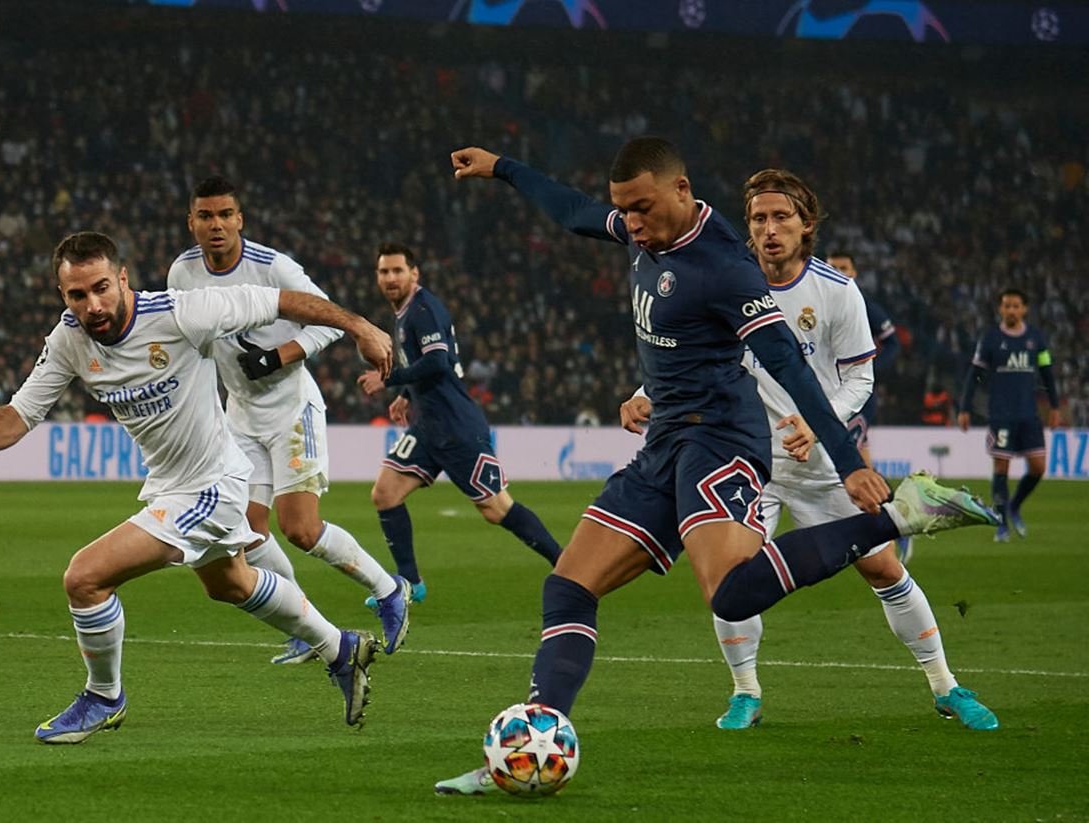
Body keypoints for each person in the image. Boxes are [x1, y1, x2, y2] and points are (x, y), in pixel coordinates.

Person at [435, 139, 999, 794]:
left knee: (730, 593)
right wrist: (503, 168)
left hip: (723, 439)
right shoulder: (645, 233)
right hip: (667, 439)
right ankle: (535, 739)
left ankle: (903, 514)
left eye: (642, 208)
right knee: (568, 585)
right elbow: (573, 212)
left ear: (681, 191)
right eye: (627, 211)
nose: (632, 224)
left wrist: (848, 461)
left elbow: (788, 365)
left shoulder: (725, 267)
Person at [0, 231, 394, 741]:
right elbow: (23, 411)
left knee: (84, 578)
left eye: (102, 288)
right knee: (230, 584)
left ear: (123, 279)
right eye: (77, 295)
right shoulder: (68, 341)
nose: (93, 304)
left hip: (212, 485)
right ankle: (339, 648)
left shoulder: (180, 314)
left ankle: (104, 697)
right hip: (171, 484)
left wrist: (359, 326)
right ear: (63, 295)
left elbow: (281, 301)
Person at [624, 169, 993, 733]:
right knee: (729, 584)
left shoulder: (838, 293)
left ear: (807, 225)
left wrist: (821, 425)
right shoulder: (724, 278)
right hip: (745, 460)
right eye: (758, 219)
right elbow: (692, 359)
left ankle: (946, 685)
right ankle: (745, 692)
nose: (769, 230)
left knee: (884, 570)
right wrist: (644, 393)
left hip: (821, 464)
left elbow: (861, 381)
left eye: (781, 218)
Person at [166, 176, 410, 666]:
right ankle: (305, 625)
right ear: (191, 222)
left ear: (240, 219)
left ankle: (389, 591)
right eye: (206, 216)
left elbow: (329, 319)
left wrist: (284, 353)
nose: (216, 225)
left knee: (300, 528)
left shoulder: (272, 266)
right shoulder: (182, 274)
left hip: (291, 410)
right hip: (239, 414)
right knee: (248, 533)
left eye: (225, 215)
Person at [356, 242, 562, 598]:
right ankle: (410, 583)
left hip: (456, 428)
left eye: (397, 271)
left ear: (414, 273)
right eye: (384, 272)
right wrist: (406, 397)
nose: (390, 278)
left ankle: (567, 566)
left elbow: (438, 362)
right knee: (385, 493)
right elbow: (437, 363)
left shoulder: (424, 309)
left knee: (497, 509)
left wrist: (389, 380)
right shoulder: (405, 311)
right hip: (428, 425)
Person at [826, 250, 912, 563]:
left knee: (854, 465)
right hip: (827, 395)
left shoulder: (862, 303)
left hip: (856, 396)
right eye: (832, 266)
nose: (837, 271)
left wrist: (870, 369)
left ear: (855, 272)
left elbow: (893, 342)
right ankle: (896, 518)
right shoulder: (818, 300)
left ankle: (895, 522)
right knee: (861, 466)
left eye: (843, 267)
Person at [958, 288, 1061, 542]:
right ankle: (1002, 522)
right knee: (1001, 466)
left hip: (1029, 414)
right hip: (1001, 414)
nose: (1011, 310)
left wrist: (1055, 406)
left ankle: (1014, 505)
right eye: (1007, 306)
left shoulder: (1036, 338)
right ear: (1001, 309)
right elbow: (974, 375)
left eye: (1016, 306)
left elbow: (1047, 373)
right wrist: (964, 407)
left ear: (1024, 309)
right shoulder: (991, 338)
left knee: (1038, 467)